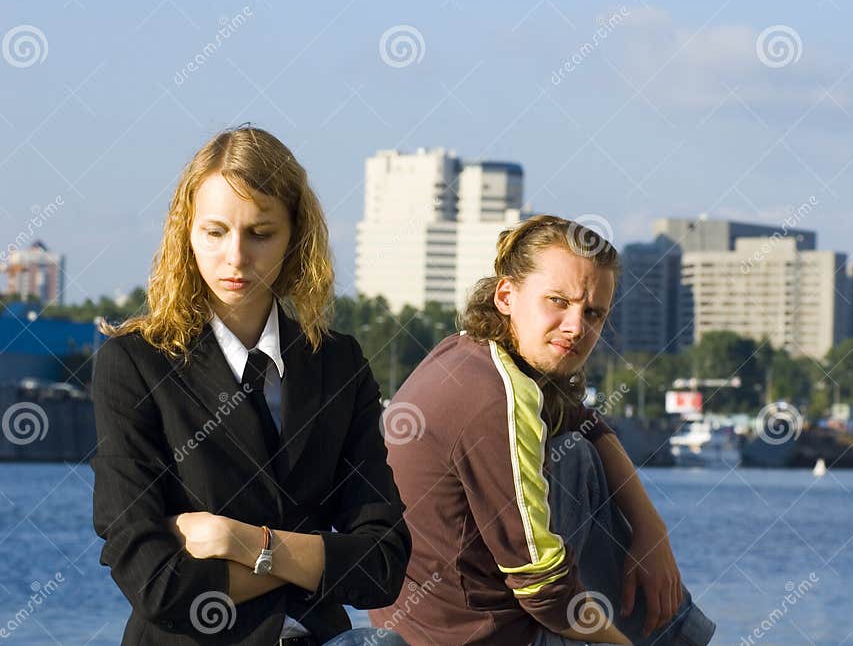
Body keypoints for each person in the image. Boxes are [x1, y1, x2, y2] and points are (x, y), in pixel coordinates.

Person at [90, 126, 411, 645]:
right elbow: (155, 582)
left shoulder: (338, 363)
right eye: (214, 232)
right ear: (186, 234)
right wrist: (310, 561)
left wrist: (237, 539)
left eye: (261, 233)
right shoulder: (135, 363)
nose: (236, 257)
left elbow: (383, 564)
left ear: (294, 240)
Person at [368, 215, 715, 645]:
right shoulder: (497, 399)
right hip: (476, 637)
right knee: (578, 459)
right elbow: (544, 590)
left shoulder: (466, 353)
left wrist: (651, 528)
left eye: (593, 313)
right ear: (506, 295)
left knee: (579, 449)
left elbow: (582, 419)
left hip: (417, 623)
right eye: (557, 301)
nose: (576, 326)